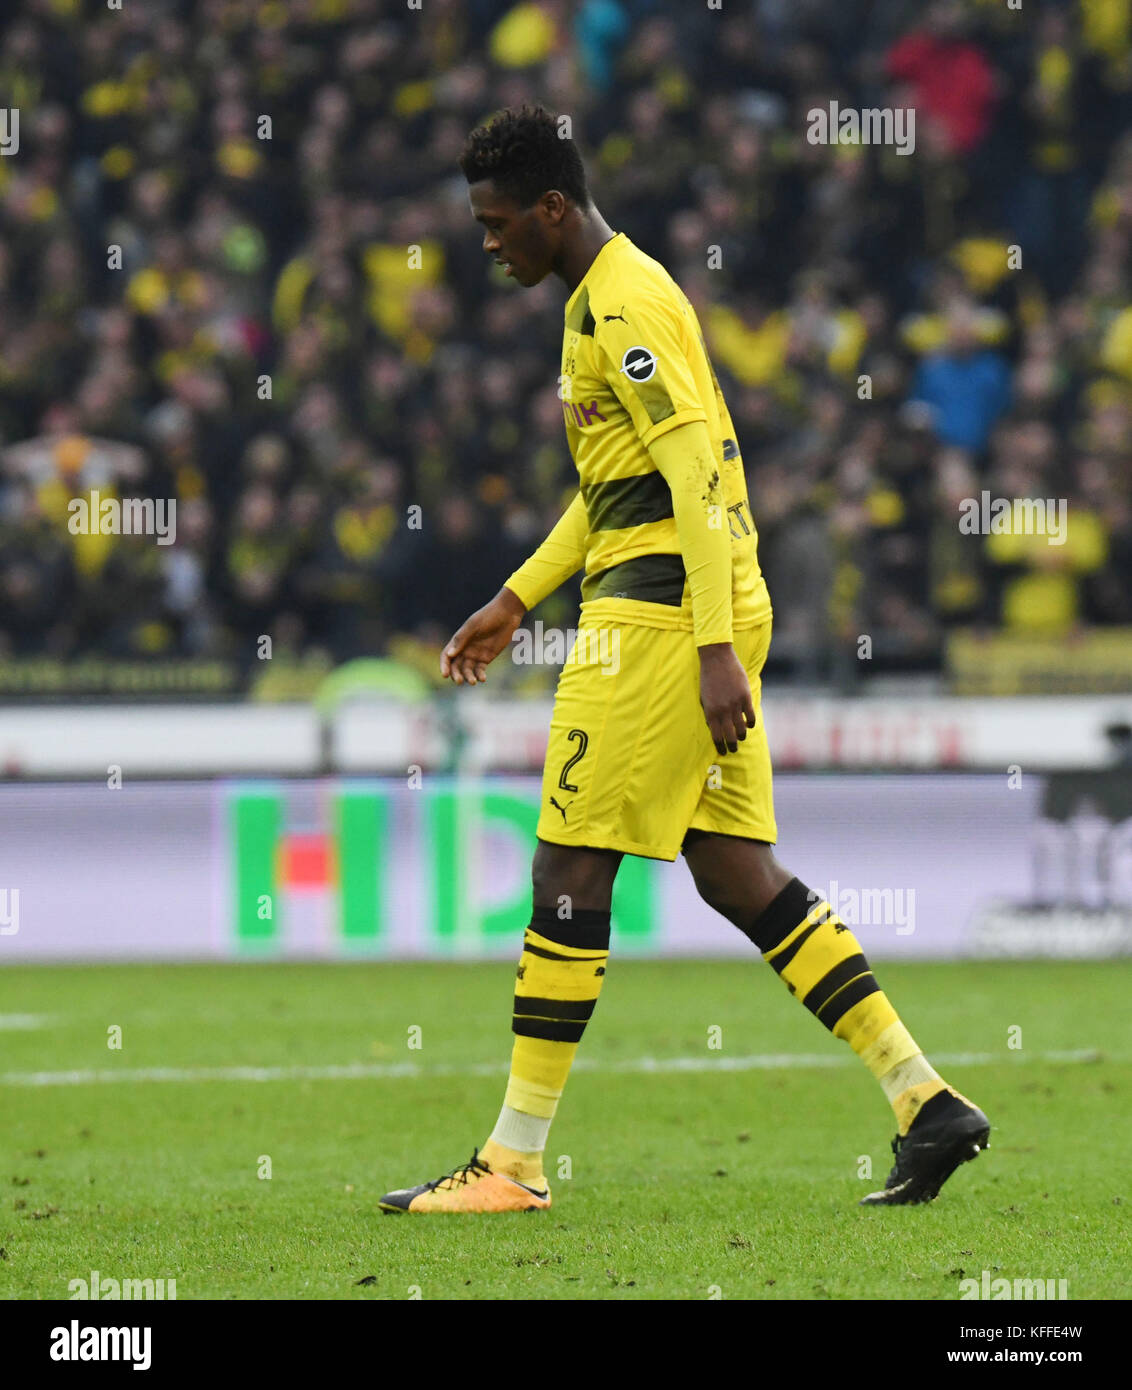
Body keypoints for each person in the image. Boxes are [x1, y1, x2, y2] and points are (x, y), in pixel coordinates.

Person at [380, 105, 989, 1214]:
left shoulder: (624, 302)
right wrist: (518, 596)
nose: (487, 240)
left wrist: (714, 652)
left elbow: (700, 484)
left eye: (498, 220)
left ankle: (512, 1162)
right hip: (677, 604)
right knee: (734, 870)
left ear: (553, 207)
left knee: (566, 869)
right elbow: (619, 491)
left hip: (660, 621)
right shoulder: (593, 303)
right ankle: (923, 1098)